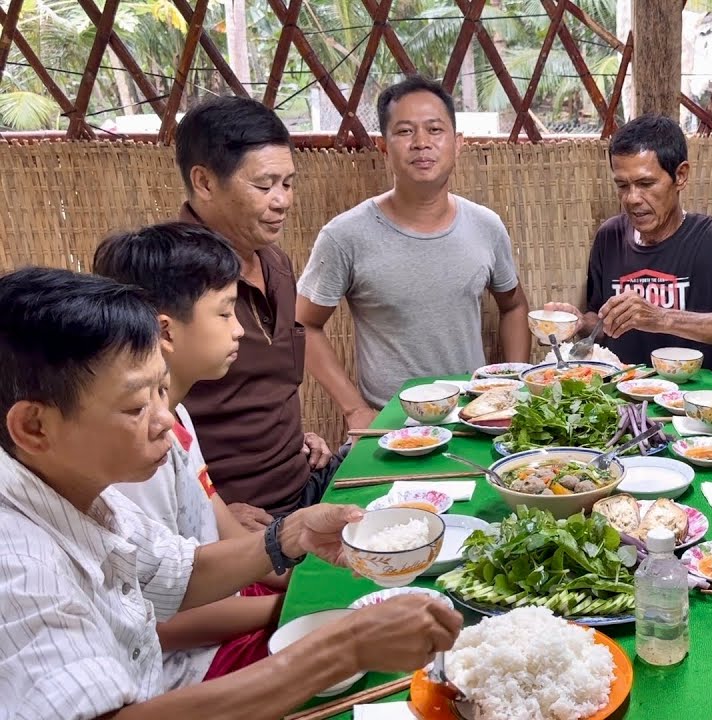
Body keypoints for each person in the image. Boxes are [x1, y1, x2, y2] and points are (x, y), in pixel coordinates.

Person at [0, 267, 463, 720]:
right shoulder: (20, 566)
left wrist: (290, 534)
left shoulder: (81, 490)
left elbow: (179, 573)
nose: (164, 420)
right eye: (136, 406)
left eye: (162, 392)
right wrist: (347, 646)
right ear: (34, 427)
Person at [93, 222, 295, 686]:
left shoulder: (176, 413)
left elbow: (219, 520)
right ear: (165, 329)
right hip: (194, 663)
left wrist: (297, 571)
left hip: (230, 600)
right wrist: (292, 604)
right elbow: (161, 625)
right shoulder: (134, 455)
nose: (239, 330)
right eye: (224, 313)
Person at [297, 77, 531, 431]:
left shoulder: (486, 226)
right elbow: (303, 324)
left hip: (474, 419)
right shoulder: (345, 235)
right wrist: (354, 410)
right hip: (392, 427)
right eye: (405, 131)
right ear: (383, 146)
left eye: (435, 130)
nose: (422, 143)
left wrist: (513, 390)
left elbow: (513, 305)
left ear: (458, 143)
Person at [174, 96, 336, 529]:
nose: (282, 201)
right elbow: (138, 419)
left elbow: (265, 387)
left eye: (288, 183)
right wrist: (211, 510)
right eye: (265, 186)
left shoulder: (274, 262)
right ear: (205, 182)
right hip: (246, 520)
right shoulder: (168, 279)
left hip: (306, 480)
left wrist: (294, 440)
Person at [544, 114, 712, 388]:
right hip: (620, 397)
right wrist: (579, 323)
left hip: (694, 402)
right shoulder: (609, 237)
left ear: (680, 176)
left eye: (646, 184)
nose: (632, 198)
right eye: (622, 185)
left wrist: (662, 317)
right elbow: (602, 324)